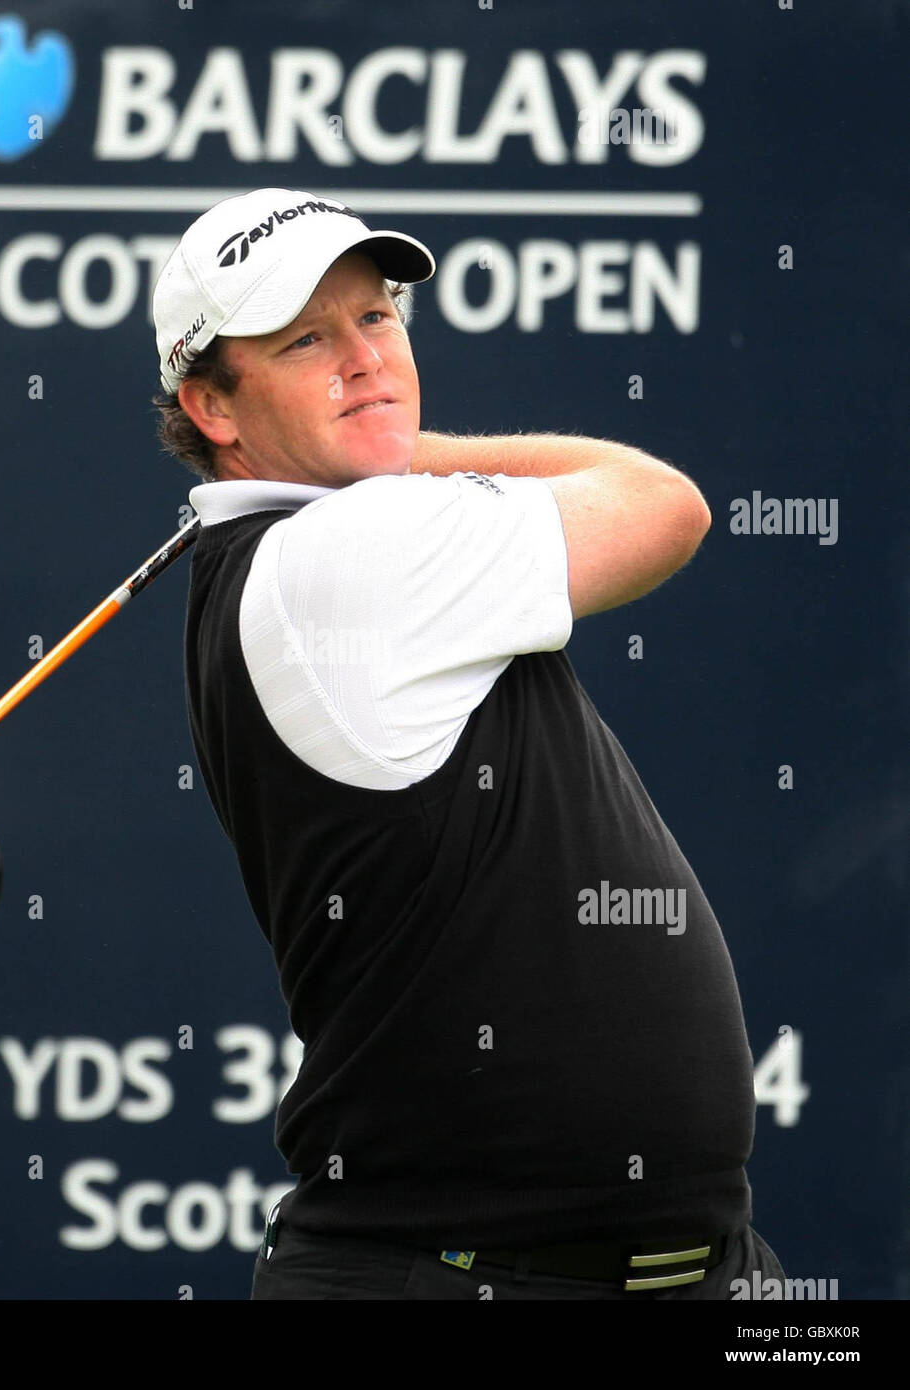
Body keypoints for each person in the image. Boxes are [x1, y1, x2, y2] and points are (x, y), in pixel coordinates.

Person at [151, 187, 785, 1300]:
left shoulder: (317, 544)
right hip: (467, 1271)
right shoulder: (343, 554)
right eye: (306, 339)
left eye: (377, 318)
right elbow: (664, 504)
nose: (364, 358)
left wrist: (369, 445)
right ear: (212, 405)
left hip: (677, 1272)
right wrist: (401, 452)